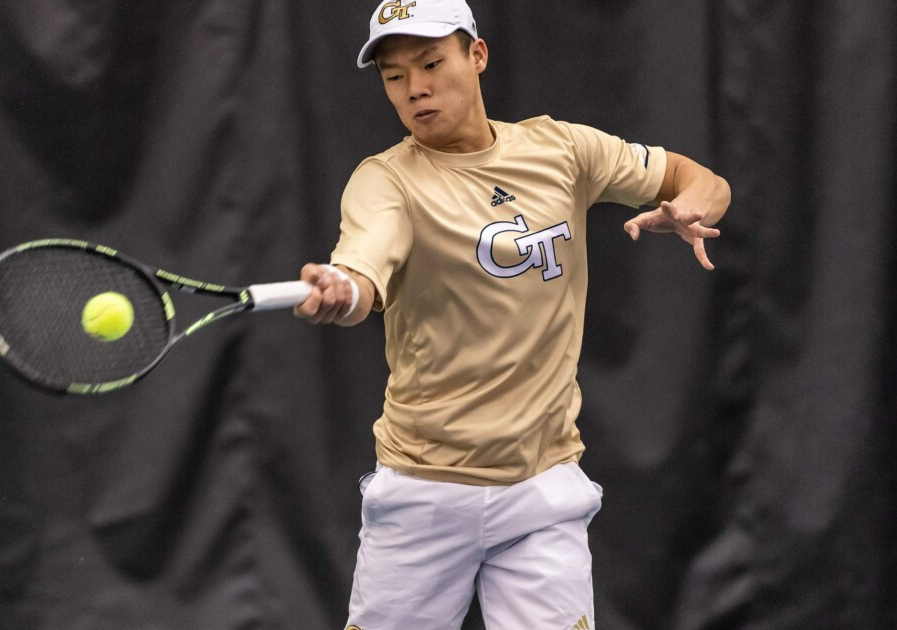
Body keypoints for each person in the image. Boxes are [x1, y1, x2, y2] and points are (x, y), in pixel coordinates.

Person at [293, 0, 730, 627]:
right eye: (394, 76)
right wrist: (343, 291)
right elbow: (362, 274)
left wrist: (689, 205)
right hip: (423, 495)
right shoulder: (384, 182)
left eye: (430, 62)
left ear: (477, 55)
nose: (415, 88)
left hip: (542, 491)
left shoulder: (563, 149)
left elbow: (702, 179)